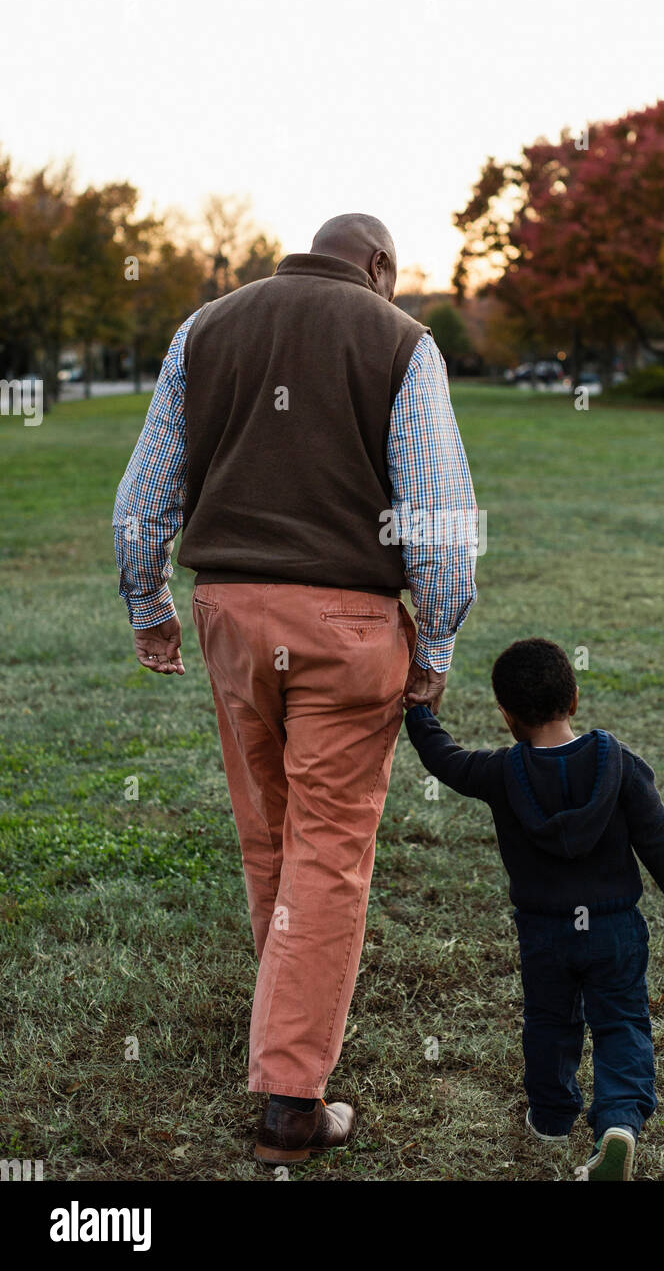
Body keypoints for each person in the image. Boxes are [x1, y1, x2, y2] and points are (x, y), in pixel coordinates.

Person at [113, 213, 477, 1164]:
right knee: (329, 850)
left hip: (232, 615)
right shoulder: (401, 341)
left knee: (268, 829)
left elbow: (145, 495)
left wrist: (149, 607)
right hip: (349, 627)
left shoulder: (205, 327)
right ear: (382, 267)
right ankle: (290, 1097)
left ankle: (281, 1024)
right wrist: (434, 642)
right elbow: (439, 518)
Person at [404, 637, 664, 1181]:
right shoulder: (619, 763)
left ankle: (550, 1119)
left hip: (545, 932)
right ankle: (619, 1121)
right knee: (620, 1021)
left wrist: (418, 712)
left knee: (549, 1021)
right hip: (615, 928)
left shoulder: (500, 772)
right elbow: (657, 839)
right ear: (573, 698)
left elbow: (445, 760)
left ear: (505, 716)